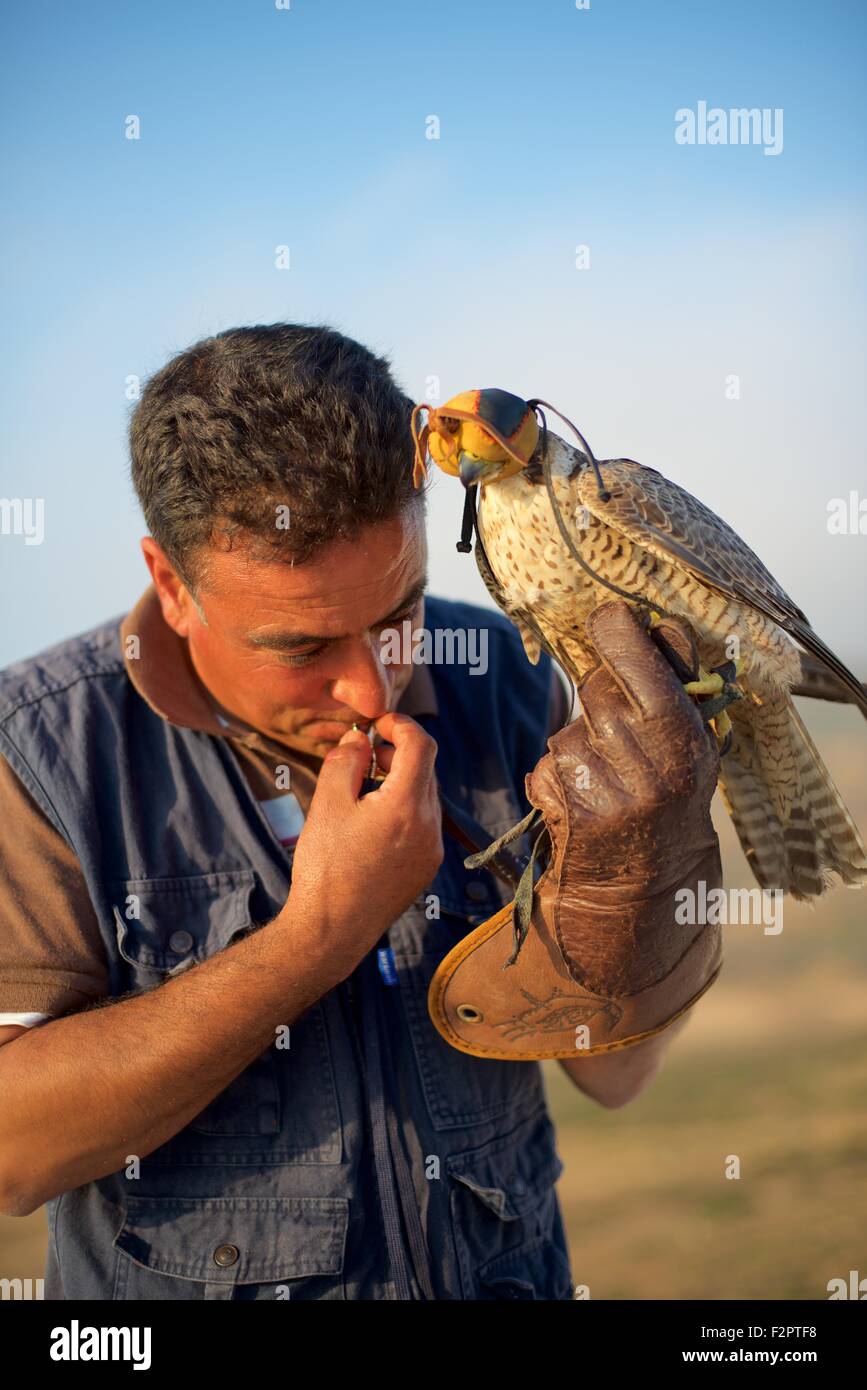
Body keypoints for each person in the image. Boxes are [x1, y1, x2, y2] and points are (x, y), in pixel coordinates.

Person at [0, 323, 721, 1300]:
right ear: (172, 585)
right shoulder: (42, 751)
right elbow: (12, 1152)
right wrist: (319, 935)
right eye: (301, 649)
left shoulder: (509, 679)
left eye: (400, 614)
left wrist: (653, 881)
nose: (371, 688)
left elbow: (613, 1078)